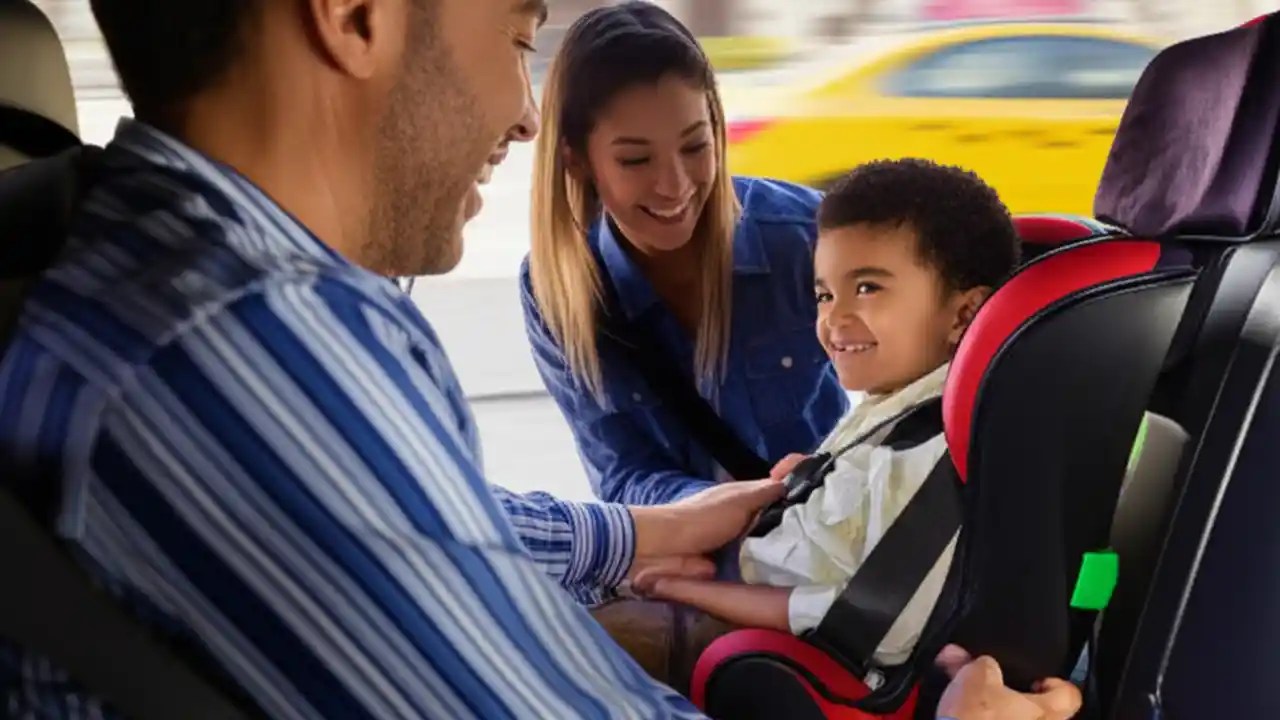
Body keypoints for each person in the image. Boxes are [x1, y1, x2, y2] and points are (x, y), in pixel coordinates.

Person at [0, 0, 1081, 716]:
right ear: (355, 16)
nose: (522, 112)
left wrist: (642, 534)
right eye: (517, 34)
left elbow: (425, 519)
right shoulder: (240, 344)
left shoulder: (149, 267)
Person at [633, 159, 1021, 669]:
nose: (833, 318)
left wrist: (692, 593)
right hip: (745, 571)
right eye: (823, 294)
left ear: (964, 314)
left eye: (867, 288)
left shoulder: (924, 448)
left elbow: (876, 621)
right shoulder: (896, 409)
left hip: (785, 649)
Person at [520, 1, 849, 508]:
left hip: (827, 542)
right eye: (636, 159)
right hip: (688, 564)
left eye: (695, 147)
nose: (674, 186)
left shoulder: (805, 236)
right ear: (576, 160)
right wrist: (728, 513)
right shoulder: (554, 289)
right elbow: (623, 474)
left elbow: (912, 398)